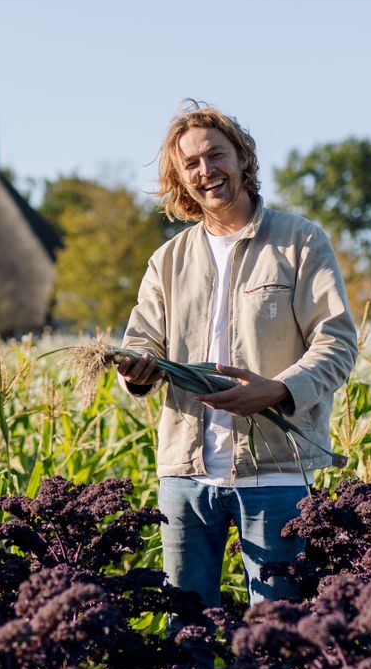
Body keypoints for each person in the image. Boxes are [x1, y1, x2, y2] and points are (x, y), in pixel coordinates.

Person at [118, 101, 358, 610]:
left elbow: (336, 342)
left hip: (276, 475)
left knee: (278, 632)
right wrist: (135, 369)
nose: (206, 171)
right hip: (185, 478)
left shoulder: (300, 241)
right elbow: (143, 340)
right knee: (186, 633)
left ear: (243, 158)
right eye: (191, 164)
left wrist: (280, 389)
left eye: (216, 155)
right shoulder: (168, 259)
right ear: (180, 179)